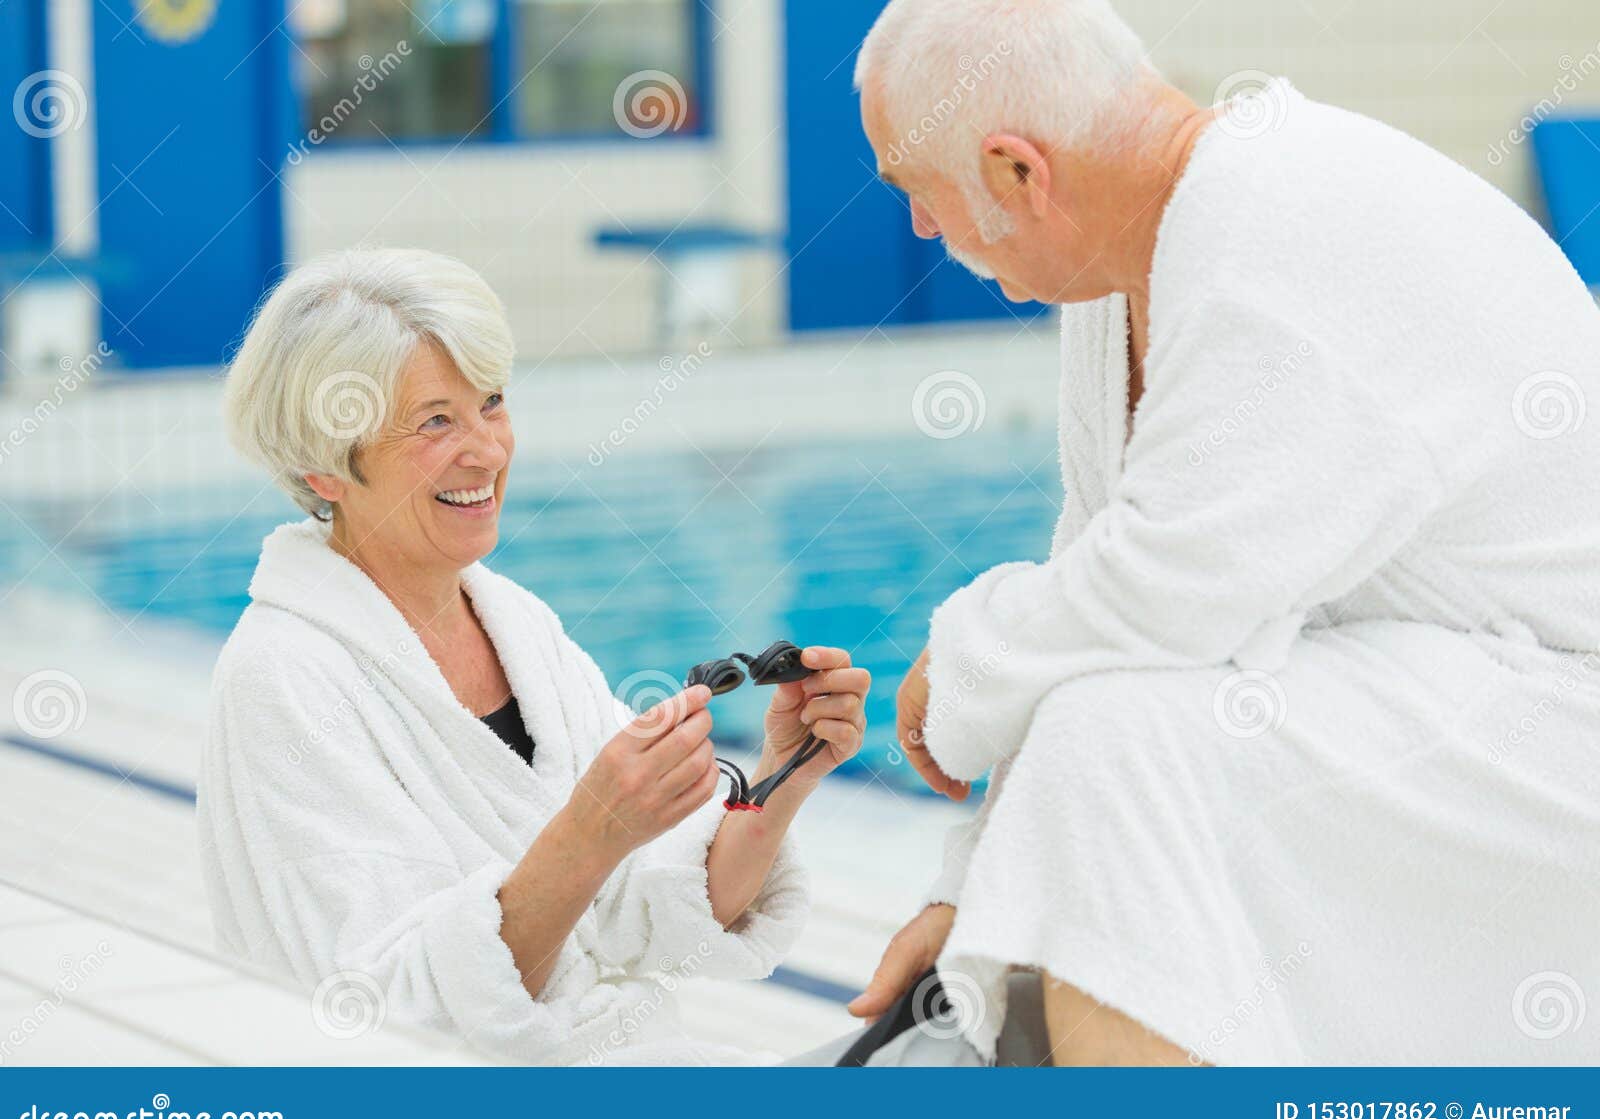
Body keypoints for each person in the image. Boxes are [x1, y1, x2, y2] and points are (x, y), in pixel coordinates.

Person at [851, 0, 1600, 1065]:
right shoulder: (1145, 258)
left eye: (916, 194)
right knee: (1111, 736)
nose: (923, 229)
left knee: (1122, 746)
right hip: (1466, 691)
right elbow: (1103, 614)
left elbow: (1173, 592)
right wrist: (976, 887)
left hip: (1564, 730)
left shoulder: (1275, 238)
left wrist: (963, 661)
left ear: (1020, 172)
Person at [198, 247, 870, 1065]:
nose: (486, 450)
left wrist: (777, 780)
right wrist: (589, 833)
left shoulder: (514, 621)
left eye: (491, 403)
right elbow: (382, 1016)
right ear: (323, 466)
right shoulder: (284, 679)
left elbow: (647, 911)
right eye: (435, 420)